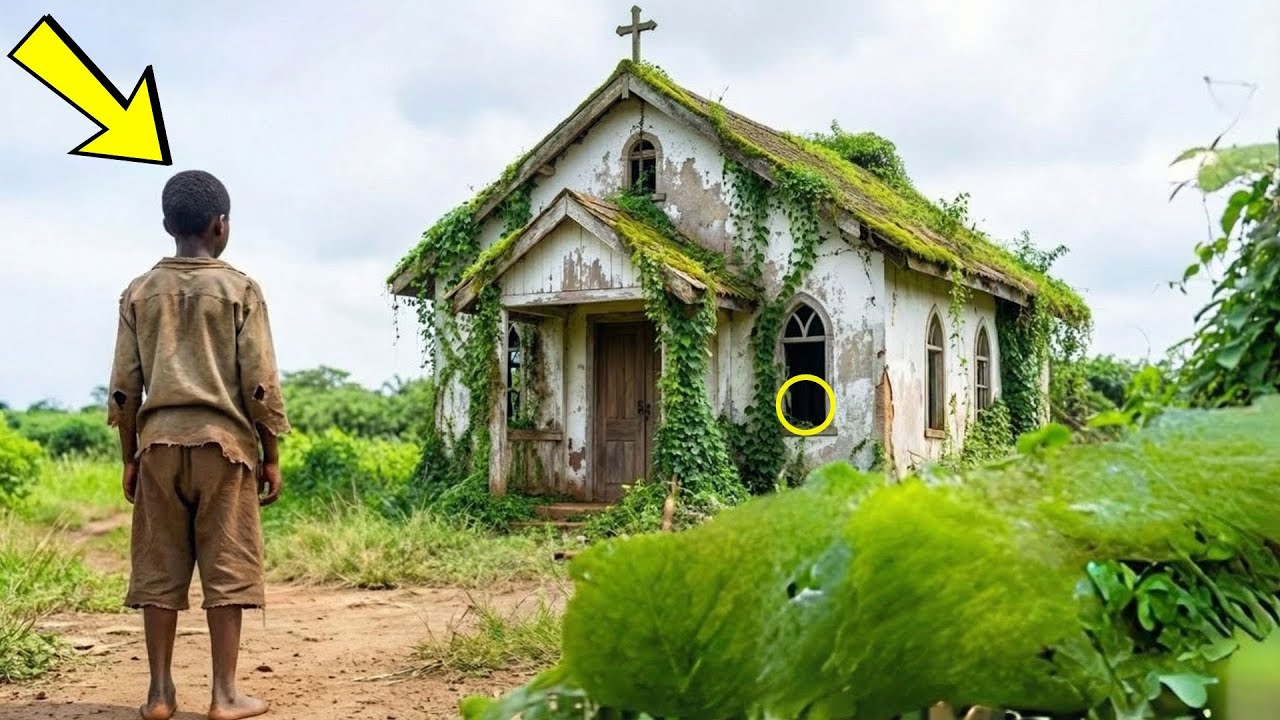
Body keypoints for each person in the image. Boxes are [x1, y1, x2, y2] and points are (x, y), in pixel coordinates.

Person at [108, 170, 290, 720]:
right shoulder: (240, 290)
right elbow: (259, 383)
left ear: (168, 225)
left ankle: (160, 694)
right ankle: (225, 695)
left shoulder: (139, 292)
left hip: (158, 447)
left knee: (159, 572)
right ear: (221, 225)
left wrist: (129, 459)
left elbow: (124, 386)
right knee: (228, 569)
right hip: (226, 449)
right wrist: (272, 454)